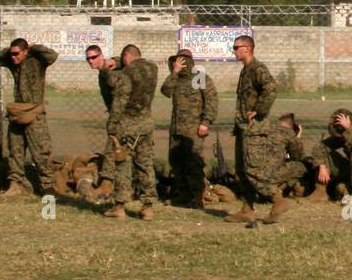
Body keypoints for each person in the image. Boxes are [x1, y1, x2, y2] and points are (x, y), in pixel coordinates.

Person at [224, 34, 286, 224]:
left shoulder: (257, 68)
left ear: (247, 48)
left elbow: (271, 88)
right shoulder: (246, 70)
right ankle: (247, 209)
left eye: (236, 47)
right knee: (242, 170)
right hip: (244, 127)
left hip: (255, 128)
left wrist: (259, 110)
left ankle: (277, 199)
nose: (233, 51)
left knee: (253, 169)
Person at [0, 37, 59, 197]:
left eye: (17, 54)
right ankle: (15, 184)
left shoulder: (37, 61)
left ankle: (47, 185)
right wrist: (10, 50)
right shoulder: (11, 61)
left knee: (40, 151)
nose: (13, 57)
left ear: (26, 52)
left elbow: (52, 56)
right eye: (12, 54)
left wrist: (34, 47)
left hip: (34, 112)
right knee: (15, 150)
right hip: (18, 112)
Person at [103, 44, 159, 220]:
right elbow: (136, 62)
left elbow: (120, 100)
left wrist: (112, 125)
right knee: (145, 164)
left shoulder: (126, 74)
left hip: (127, 125)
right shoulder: (152, 69)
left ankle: (120, 206)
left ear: (126, 56)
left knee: (123, 164)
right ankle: (148, 207)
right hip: (146, 124)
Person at [161, 48, 218, 208]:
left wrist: (205, 122)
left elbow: (211, 100)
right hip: (176, 129)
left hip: (193, 129)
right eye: (179, 60)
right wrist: (174, 72)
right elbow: (165, 91)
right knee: (177, 163)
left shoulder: (199, 78)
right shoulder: (176, 78)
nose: (182, 63)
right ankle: (182, 195)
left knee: (193, 164)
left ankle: (197, 197)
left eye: (185, 60)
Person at [86, 45, 120, 201]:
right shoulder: (102, 72)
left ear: (101, 56)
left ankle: (107, 184)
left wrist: (115, 61)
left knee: (112, 148)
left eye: (93, 57)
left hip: (123, 117)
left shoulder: (109, 68)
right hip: (115, 114)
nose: (90, 61)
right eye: (88, 58)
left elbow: (130, 62)